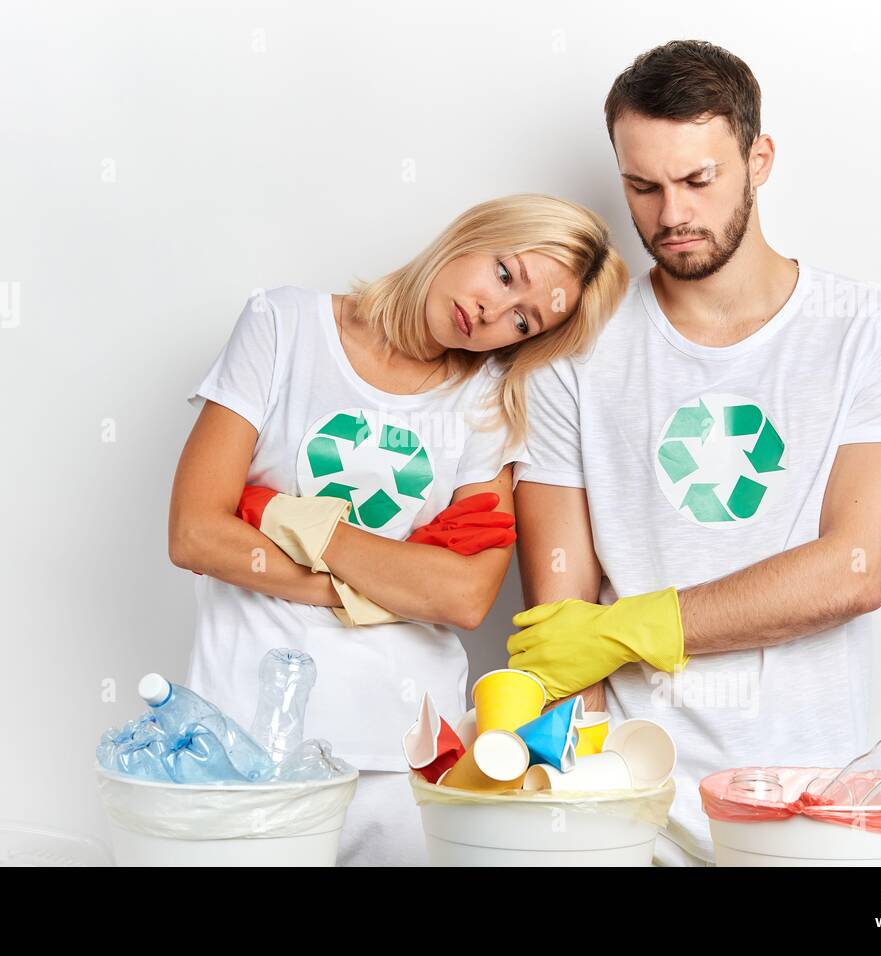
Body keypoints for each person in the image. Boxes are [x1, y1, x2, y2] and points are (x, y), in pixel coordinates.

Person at [508, 40, 881, 866]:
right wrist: (589, 804)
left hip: (813, 807)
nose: (671, 213)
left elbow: (855, 569)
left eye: (699, 180)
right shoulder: (570, 355)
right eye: (643, 186)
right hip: (635, 807)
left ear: (758, 158)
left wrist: (637, 626)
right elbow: (563, 630)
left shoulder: (876, 335)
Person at [168, 193, 630, 865]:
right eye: (505, 274)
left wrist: (290, 522)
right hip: (242, 743)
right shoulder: (283, 325)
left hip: (405, 764)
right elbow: (194, 533)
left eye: (523, 319)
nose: (492, 313)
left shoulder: (489, 402)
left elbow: (464, 597)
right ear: (473, 234)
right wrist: (391, 579)